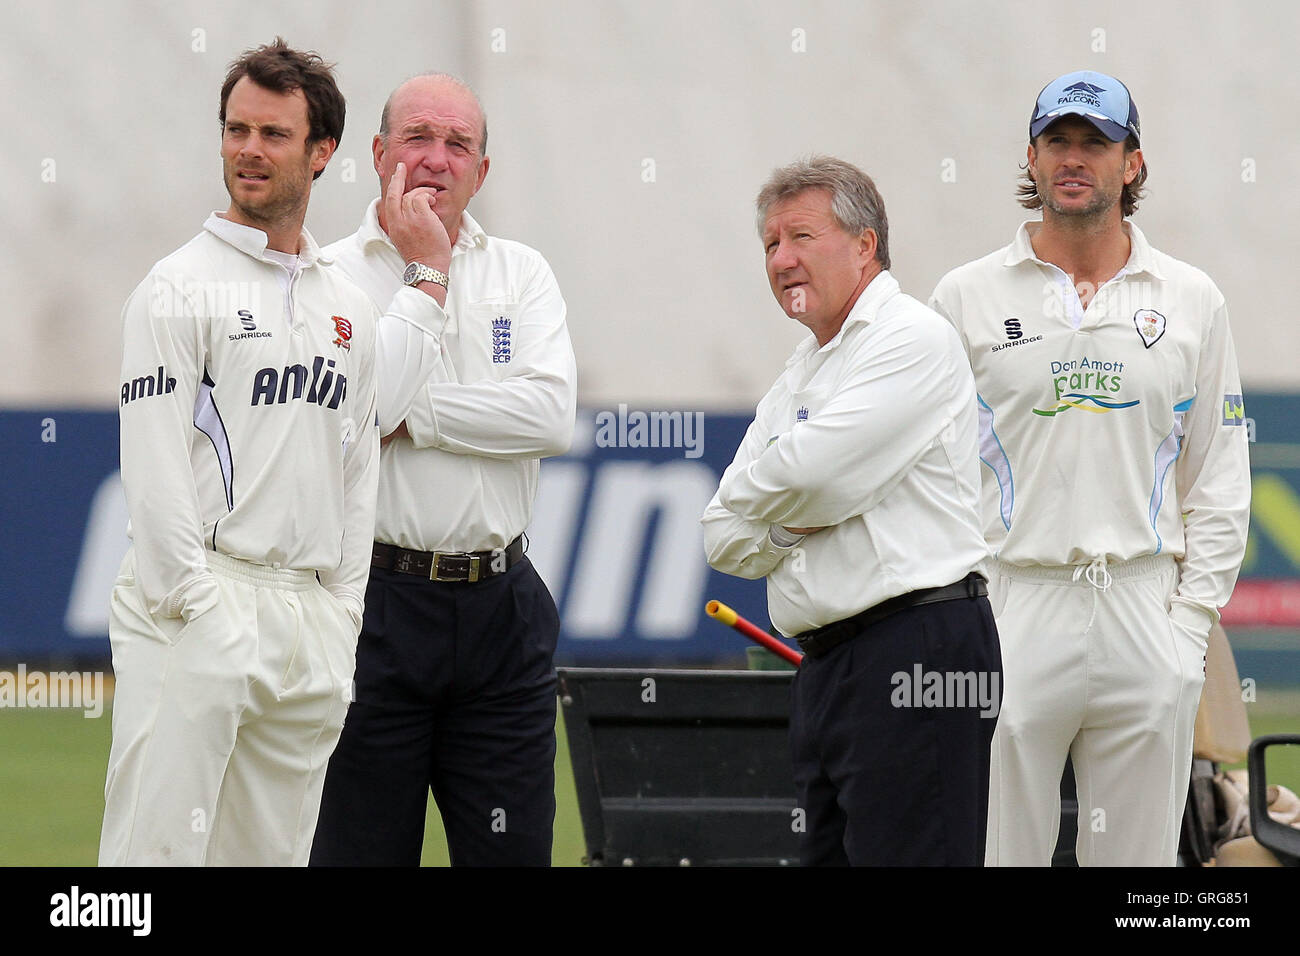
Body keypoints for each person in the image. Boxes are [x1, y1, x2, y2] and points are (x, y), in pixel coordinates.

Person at [101, 38, 451, 867]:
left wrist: (340, 612)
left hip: (307, 621)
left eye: (274, 135)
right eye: (236, 130)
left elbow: (357, 464)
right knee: (155, 858)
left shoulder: (346, 304)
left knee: (271, 856)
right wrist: (195, 604)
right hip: (202, 607)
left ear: (322, 153)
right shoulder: (177, 286)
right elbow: (151, 472)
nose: (249, 150)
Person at [929, 70, 1252, 866]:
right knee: (1000, 856)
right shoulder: (964, 296)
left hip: (1144, 609)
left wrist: (1188, 629)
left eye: (1096, 143)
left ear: (1131, 163)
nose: (1075, 159)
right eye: (1058, 142)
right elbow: (927, 474)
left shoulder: (1191, 297)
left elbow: (1217, 475)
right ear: (1032, 160)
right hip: (1009, 602)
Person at [701, 156, 1001, 866]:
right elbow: (720, 535)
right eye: (771, 244)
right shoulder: (803, 369)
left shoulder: (912, 337)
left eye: (801, 236)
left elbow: (814, 469)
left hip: (917, 649)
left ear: (865, 245)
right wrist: (784, 520)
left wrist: (774, 491)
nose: (781, 259)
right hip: (827, 667)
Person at [309, 73, 577, 867]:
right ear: (379, 154)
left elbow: (547, 417)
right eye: (418, 139)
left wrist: (407, 411)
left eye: (458, 144)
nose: (436, 160)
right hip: (371, 612)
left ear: (482, 170)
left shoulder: (521, 273)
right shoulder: (325, 275)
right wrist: (381, 410)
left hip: (502, 614)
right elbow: (339, 430)